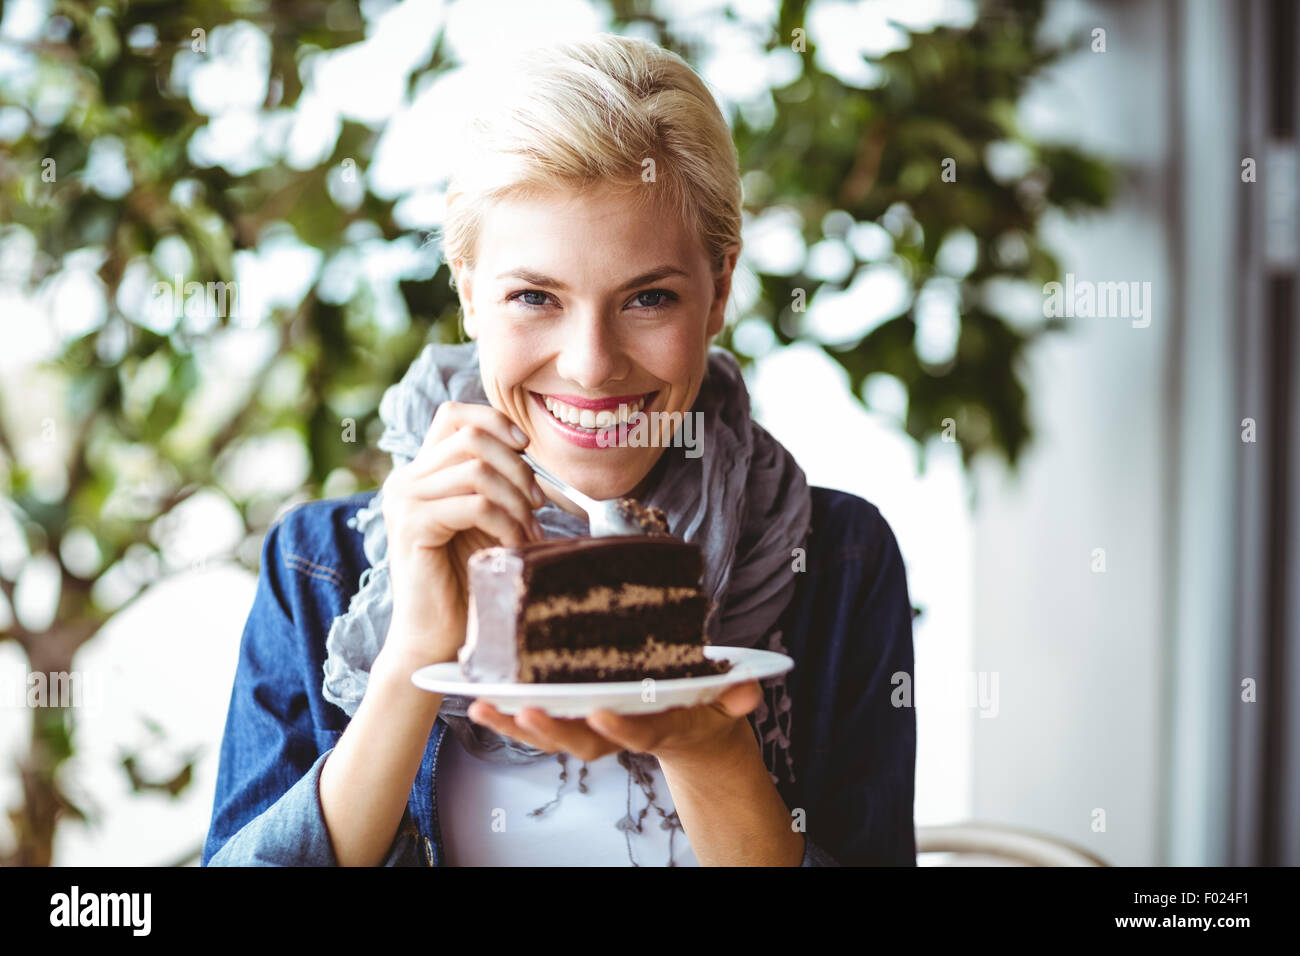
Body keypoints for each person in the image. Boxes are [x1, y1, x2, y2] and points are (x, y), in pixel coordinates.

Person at [203, 32, 916, 867]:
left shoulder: (835, 561)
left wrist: (710, 749)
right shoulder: (318, 571)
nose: (591, 365)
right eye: (535, 296)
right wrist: (411, 660)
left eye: (648, 297)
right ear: (469, 292)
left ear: (719, 288)